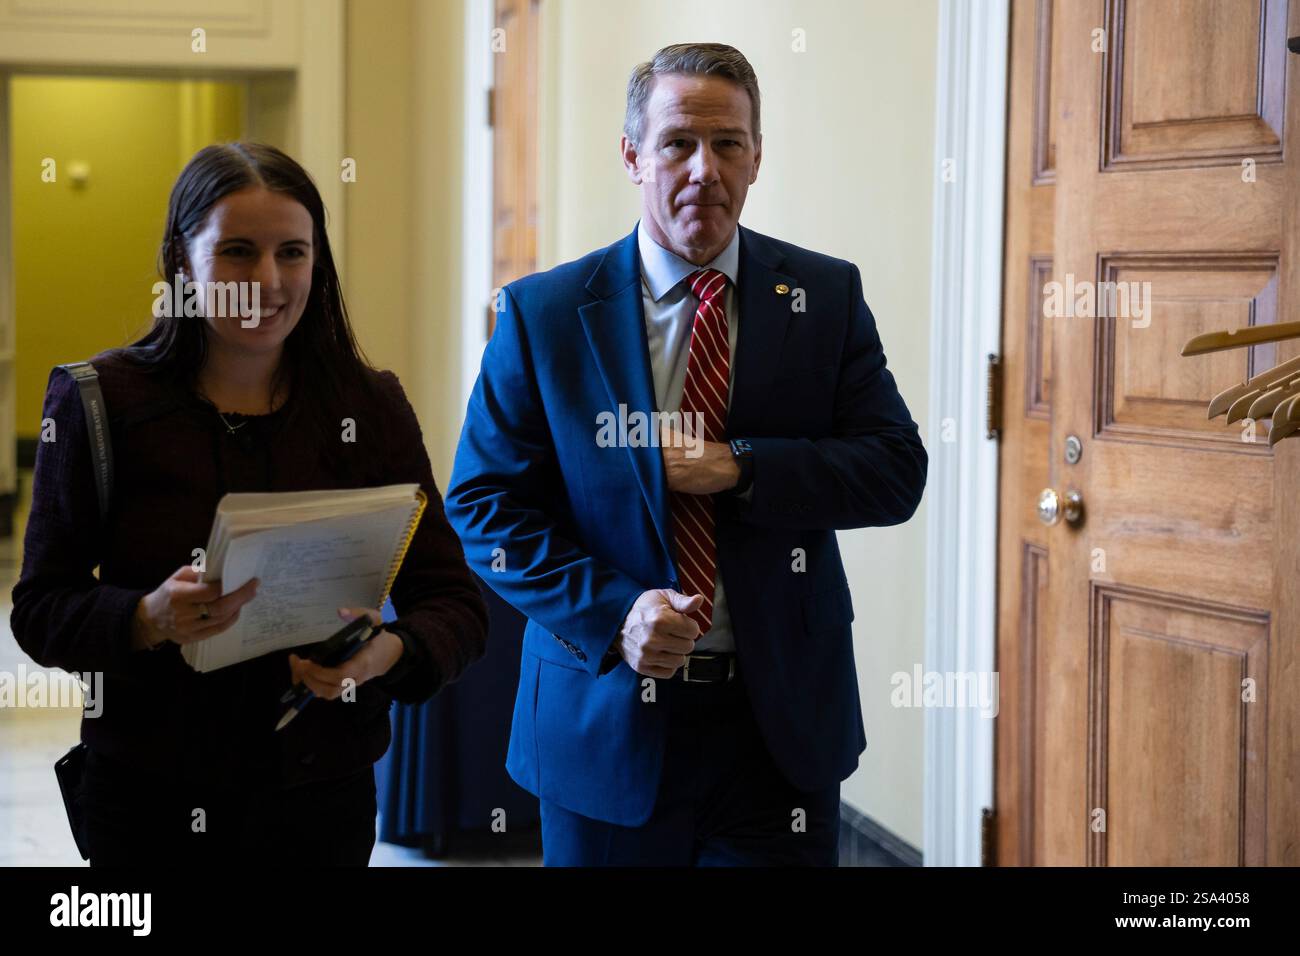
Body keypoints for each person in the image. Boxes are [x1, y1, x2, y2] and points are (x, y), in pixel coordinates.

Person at [445, 43, 927, 865]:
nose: (704, 169)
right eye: (677, 143)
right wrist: (615, 615)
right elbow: (482, 507)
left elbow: (894, 470)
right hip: (604, 722)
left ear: (756, 157)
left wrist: (741, 465)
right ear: (633, 155)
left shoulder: (823, 297)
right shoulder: (545, 315)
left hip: (778, 731)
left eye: (728, 144)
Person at [11, 142, 488, 867]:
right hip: (147, 794)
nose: (266, 280)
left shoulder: (369, 406)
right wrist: (144, 619)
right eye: (237, 251)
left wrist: (386, 652)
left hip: (320, 794)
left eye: (292, 253)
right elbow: (40, 609)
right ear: (181, 257)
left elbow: (452, 600)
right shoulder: (99, 403)